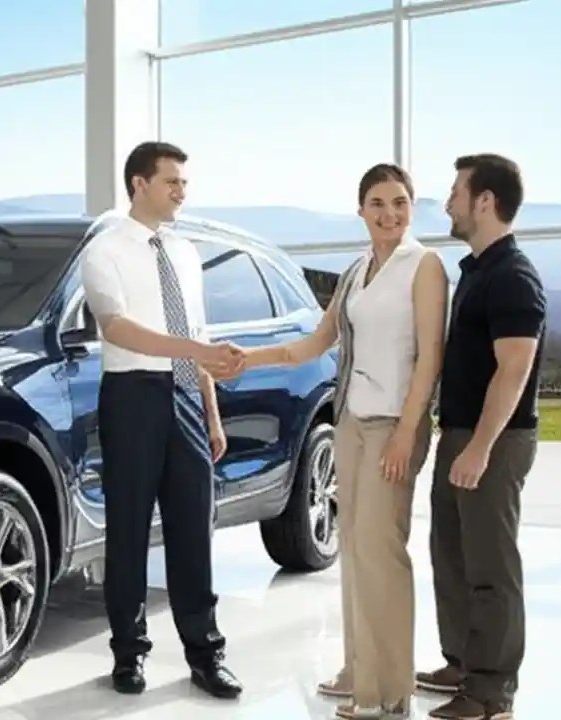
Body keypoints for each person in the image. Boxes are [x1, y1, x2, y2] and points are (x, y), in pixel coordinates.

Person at [226, 163, 448, 718]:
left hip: (394, 426)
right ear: (361, 210)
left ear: (411, 207)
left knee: (382, 555)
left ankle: (387, 690)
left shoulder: (424, 266)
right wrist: (244, 360)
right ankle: (359, 671)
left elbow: (429, 359)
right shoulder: (356, 272)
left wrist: (406, 434)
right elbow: (316, 343)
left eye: (399, 203)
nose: (389, 214)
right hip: (351, 422)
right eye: (378, 203)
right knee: (353, 552)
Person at [79, 140, 245, 699]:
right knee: (128, 531)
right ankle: (128, 655)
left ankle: (206, 654)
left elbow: (195, 335)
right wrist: (192, 352)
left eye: (183, 182)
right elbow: (116, 328)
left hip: (185, 398)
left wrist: (211, 414)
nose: (181, 191)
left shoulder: (186, 253)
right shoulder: (105, 249)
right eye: (171, 181)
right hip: (131, 395)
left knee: (193, 530)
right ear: (139, 184)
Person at [417, 154, 544, 720]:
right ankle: (464, 662)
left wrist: (480, 447)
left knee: (491, 567)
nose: (448, 202)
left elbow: (513, 369)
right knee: (451, 554)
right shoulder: (477, 270)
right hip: (462, 434)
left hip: (494, 440)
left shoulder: (513, 277)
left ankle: (492, 693)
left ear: (484, 201)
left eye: (455, 192)